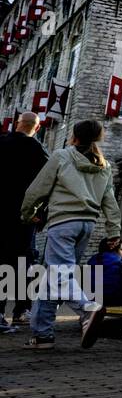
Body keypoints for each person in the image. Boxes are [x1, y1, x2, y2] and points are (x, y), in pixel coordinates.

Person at [20, 120, 120, 350]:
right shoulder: (104, 165)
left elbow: (37, 189)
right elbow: (110, 202)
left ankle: (87, 309)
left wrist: (27, 215)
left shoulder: (61, 156)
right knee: (53, 277)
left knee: (59, 274)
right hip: (86, 225)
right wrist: (114, 231)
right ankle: (42, 333)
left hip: (63, 223)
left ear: (74, 136)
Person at [0, 111, 48, 333]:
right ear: (36, 129)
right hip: (23, 216)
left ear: (16, 124)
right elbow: (46, 185)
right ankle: (20, 311)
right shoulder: (37, 151)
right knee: (22, 264)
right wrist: (41, 215)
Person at [88, 233, 122, 307]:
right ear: (116, 249)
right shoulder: (118, 262)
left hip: (93, 300)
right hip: (114, 301)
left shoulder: (91, 262)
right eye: (121, 249)